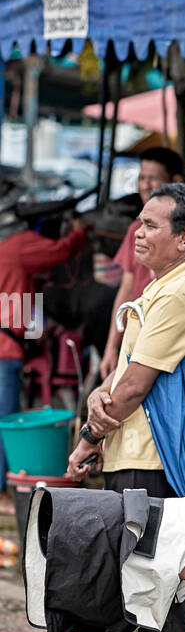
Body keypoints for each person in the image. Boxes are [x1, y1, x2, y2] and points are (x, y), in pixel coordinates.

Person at [66, 183, 185, 632]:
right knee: (125, 589)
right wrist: (99, 412)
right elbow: (119, 381)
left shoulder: (181, 294)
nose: (139, 232)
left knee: (157, 592)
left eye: (153, 224)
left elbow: (133, 386)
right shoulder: (157, 289)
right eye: (141, 222)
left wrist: (88, 433)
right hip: (129, 454)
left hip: (158, 464)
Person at [0, 216, 87, 506]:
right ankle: (4, 489)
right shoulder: (21, 245)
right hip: (5, 350)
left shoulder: (13, 256)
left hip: (12, 345)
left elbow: (27, 303)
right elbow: (60, 251)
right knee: (6, 423)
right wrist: (78, 233)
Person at [98, 148, 185, 380]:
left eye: (153, 178)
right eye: (141, 177)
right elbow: (126, 291)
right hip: (137, 339)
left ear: (175, 181)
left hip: (174, 342)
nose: (145, 185)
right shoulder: (134, 231)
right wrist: (111, 348)